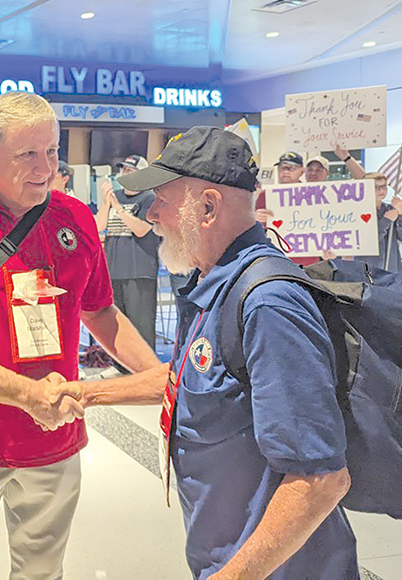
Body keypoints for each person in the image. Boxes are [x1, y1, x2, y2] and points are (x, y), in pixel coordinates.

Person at [0, 91, 166, 579]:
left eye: (52, 150)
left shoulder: (74, 220)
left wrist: (157, 378)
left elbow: (101, 313)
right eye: (27, 154)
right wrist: (26, 395)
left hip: (55, 435)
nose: (45, 167)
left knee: (42, 570)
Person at [79, 126, 357, 579]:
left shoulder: (268, 303)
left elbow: (321, 480)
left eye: (161, 199)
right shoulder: (216, 284)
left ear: (207, 207)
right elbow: (189, 380)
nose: (151, 215)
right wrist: (86, 394)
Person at [95, 154, 159, 348]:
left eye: (131, 170)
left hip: (139, 271)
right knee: (116, 323)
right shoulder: (115, 196)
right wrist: (107, 204)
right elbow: (98, 227)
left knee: (141, 324)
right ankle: (120, 366)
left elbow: (141, 230)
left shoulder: (150, 198)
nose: (125, 174)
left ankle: (145, 369)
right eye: (124, 170)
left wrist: (119, 208)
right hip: (113, 270)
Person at [353, 172, 402, 274]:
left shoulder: (390, 209)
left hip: (391, 270)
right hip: (367, 272)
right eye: (375, 187)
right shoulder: (358, 211)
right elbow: (368, 242)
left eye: (384, 186)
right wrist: (386, 221)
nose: (381, 190)